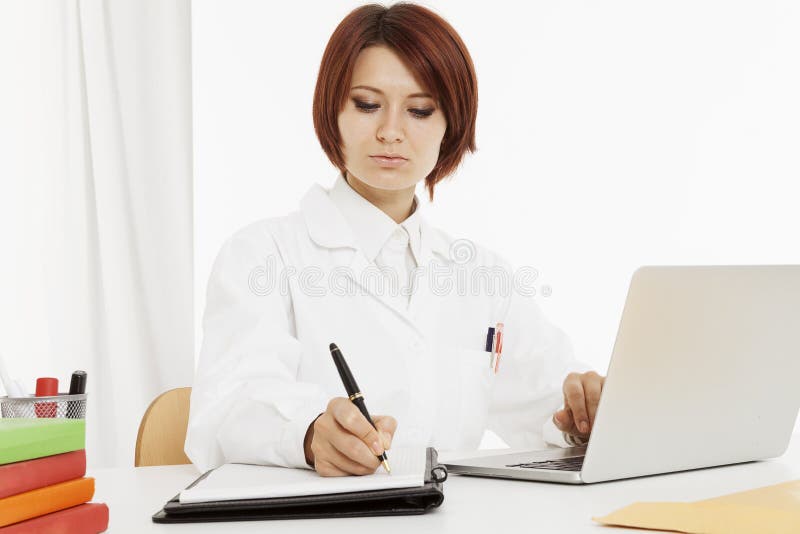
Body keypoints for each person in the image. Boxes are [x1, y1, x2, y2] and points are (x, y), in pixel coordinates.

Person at [185, 2, 606, 477]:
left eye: (420, 110)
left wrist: (583, 413)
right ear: (332, 111)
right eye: (367, 105)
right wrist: (308, 434)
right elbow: (228, 404)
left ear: (451, 124)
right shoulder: (262, 254)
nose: (390, 132)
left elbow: (547, 407)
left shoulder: (481, 277)